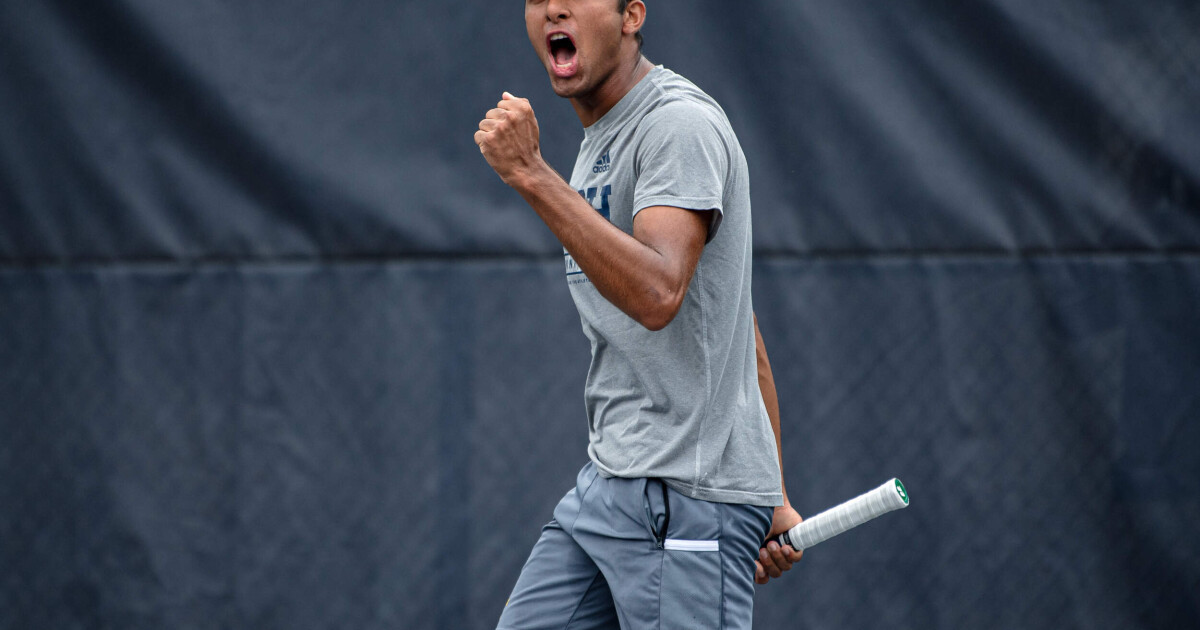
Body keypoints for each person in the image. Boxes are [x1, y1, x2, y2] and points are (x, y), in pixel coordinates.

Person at [475, 1, 801, 627]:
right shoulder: (604, 139)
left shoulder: (679, 126)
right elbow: (740, 329)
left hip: (686, 501)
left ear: (631, 17)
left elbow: (658, 295)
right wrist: (775, 492)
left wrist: (532, 176)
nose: (553, 8)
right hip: (608, 483)